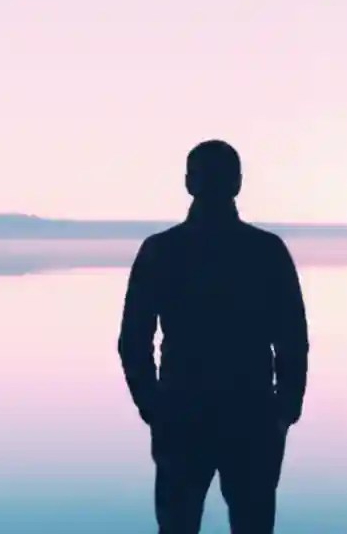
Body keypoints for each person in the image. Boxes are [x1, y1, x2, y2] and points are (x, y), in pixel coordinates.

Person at [118, 140, 309, 534]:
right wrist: (284, 409)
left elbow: (133, 341)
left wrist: (153, 405)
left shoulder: (161, 250)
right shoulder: (266, 251)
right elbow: (292, 339)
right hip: (250, 415)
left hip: (185, 414)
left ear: (189, 184)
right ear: (238, 184)